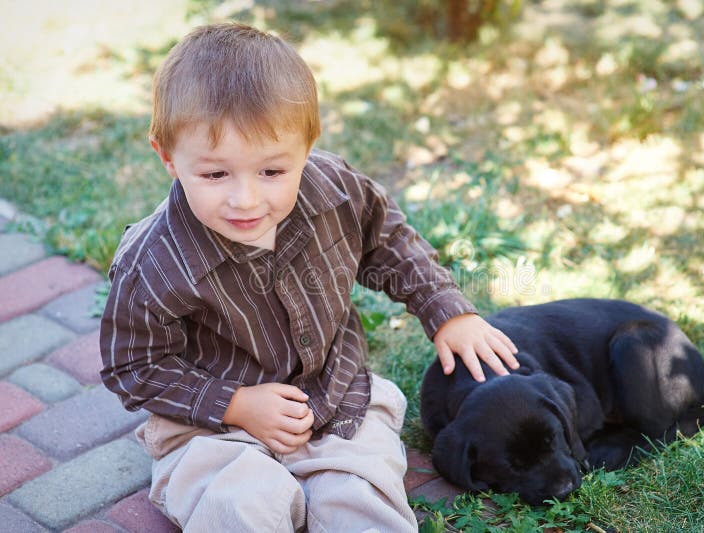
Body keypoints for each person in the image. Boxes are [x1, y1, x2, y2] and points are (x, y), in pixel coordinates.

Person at [99, 22, 519, 533]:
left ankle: (346, 496)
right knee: (239, 501)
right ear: (167, 156)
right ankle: (248, 490)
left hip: (335, 392)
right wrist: (233, 404)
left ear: (307, 147)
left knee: (359, 494)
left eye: (272, 171)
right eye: (215, 174)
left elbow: (388, 240)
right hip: (211, 428)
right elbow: (133, 367)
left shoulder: (333, 190)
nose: (246, 199)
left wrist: (447, 311)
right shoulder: (153, 262)